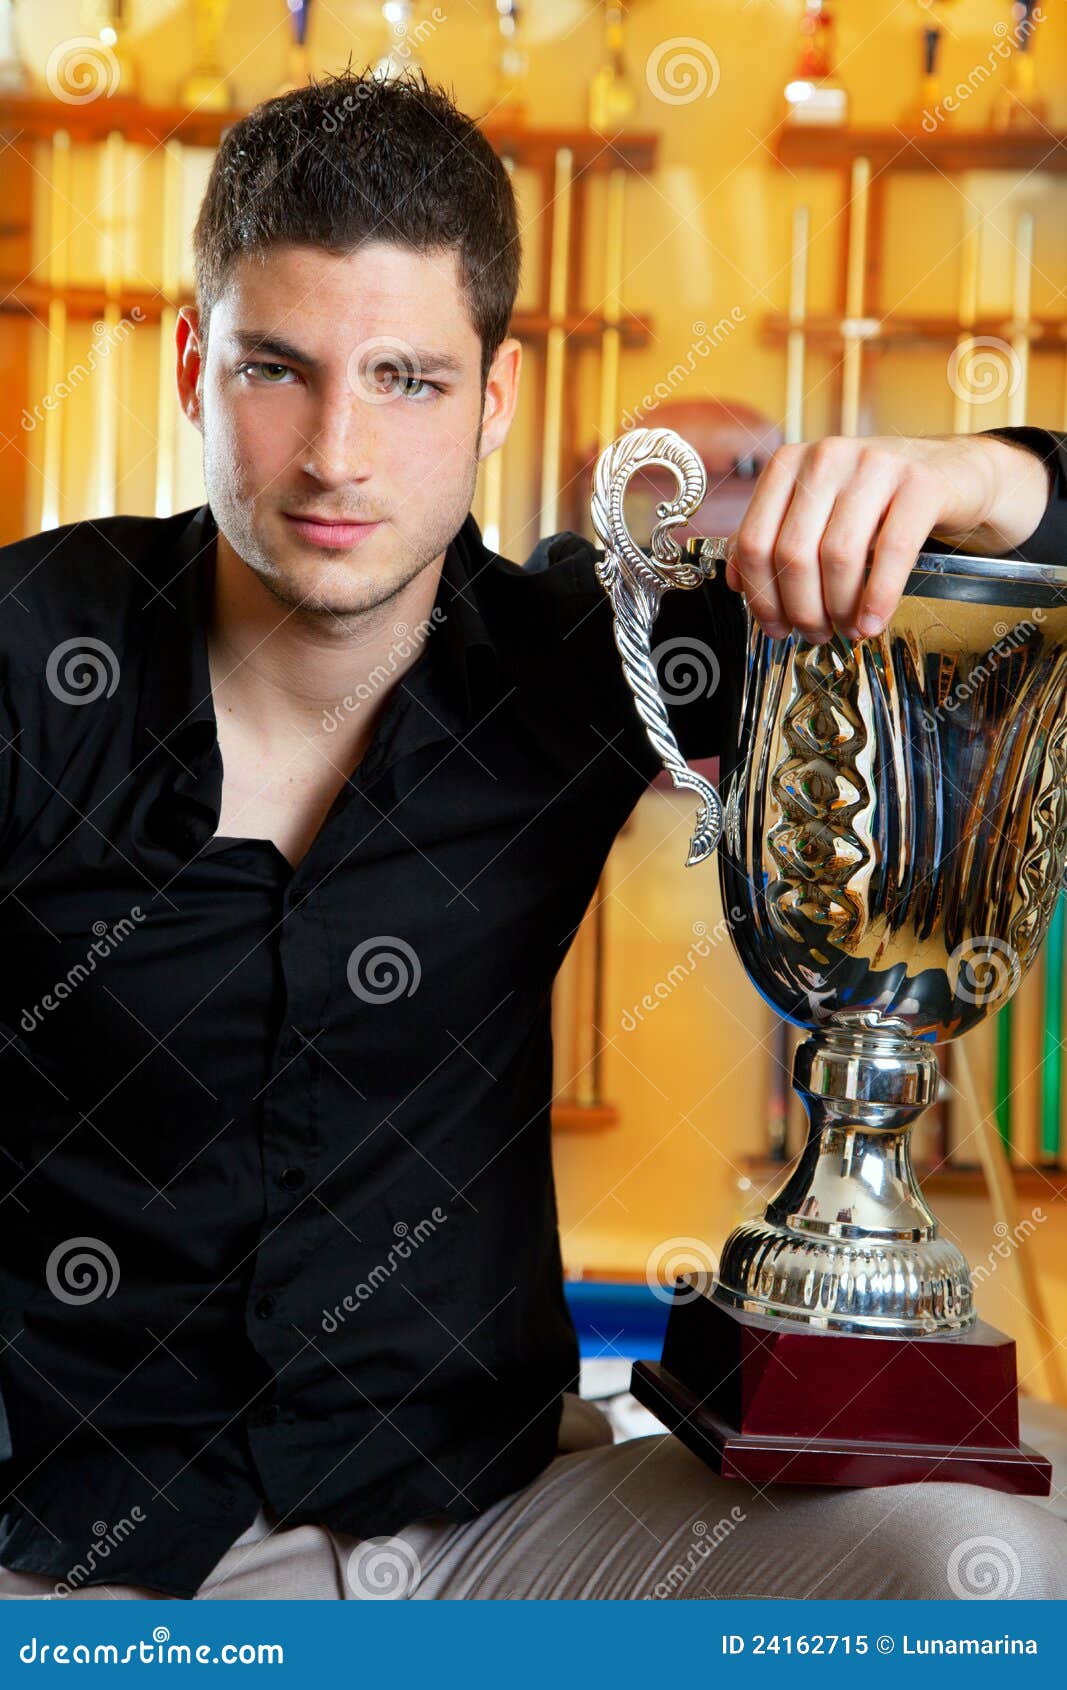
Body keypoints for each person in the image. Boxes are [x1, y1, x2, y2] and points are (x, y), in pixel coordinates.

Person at [0, 67, 1064, 1602]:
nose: (337, 455)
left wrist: (971, 471)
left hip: (480, 1527)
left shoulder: (585, 660)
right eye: (277, 370)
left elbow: (1024, 560)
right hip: (77, 1547)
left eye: (408, 380)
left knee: (979, 1568)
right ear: (190, 367)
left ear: (494, 398)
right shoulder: (34, 659)